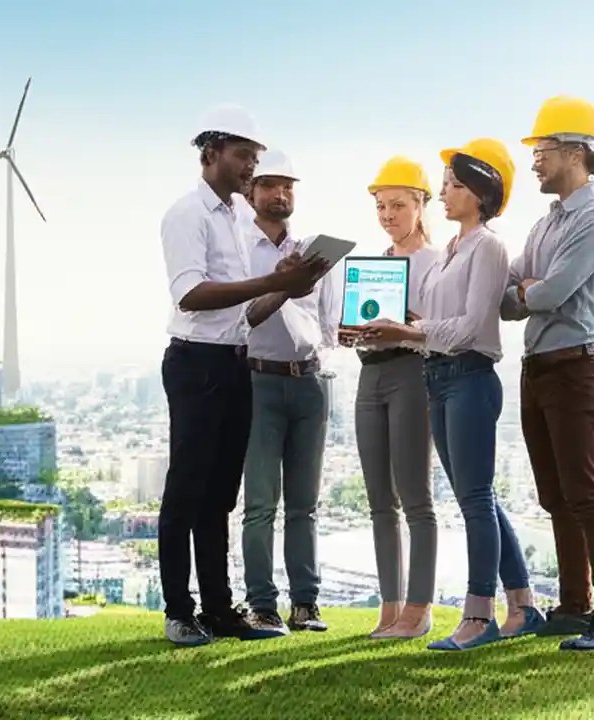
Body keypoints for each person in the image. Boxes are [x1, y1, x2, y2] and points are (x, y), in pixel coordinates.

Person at [361, 138, 544, 650]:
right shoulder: (450, 252)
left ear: (481, 192)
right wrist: (404, 327)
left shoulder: (488, 246)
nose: (444, 193)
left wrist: (409, 334)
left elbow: (470, 326)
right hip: (438, 378)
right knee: (476, 494)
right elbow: (440, 320)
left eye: (454, 185)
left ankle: (478, 616)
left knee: (474, 499)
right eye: (444, 185)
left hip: (468, 376)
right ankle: (524, 603)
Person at [158, 104, 328, 646]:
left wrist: (284, 283)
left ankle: (219, 611)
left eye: (255, 158)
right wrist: (267, 286)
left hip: (233, 362)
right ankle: (178, 611)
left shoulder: (232, 216)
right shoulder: (187, 214)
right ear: (210, 154)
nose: (250, 168)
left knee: (220, 498)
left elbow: (241, 307)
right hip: (196, 363)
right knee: (185, 492)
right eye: (244, 157)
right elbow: (190, 293)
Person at [500, 95, 594, 650]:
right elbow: (508, 296)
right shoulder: (543, 225)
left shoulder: (591, 216)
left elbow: (556, 291)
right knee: (555, 495)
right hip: (538, 368)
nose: (535, 159)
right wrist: (529, 291)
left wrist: (532, 291)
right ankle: (576, 606)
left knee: (585, 491)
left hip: (576, 366)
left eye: (544, 150)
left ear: (578, 153)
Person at [237, 148, 341, 636]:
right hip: (258, 382)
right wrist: (287, 284)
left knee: (306, 504)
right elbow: (244, 317)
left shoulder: (315, 253)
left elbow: (329, 325)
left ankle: (306, 604)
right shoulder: (238, 250)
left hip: (310, 383)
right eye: (271, 185)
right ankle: (261, 604)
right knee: (260, 503)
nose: (281, 194)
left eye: (288, 187)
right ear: (251, 192)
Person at [347, 157, 440, 639]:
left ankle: (419, 609)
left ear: (420, 205)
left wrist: (405, 320)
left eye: (397, 205)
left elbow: (439, 325)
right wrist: (352, 331)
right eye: (381, 206)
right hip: (370, 376)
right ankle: (390, 607)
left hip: (410, 373)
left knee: (416, 499)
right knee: (380, 502)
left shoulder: (435, 261)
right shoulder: (378, 262)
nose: (387, 214)